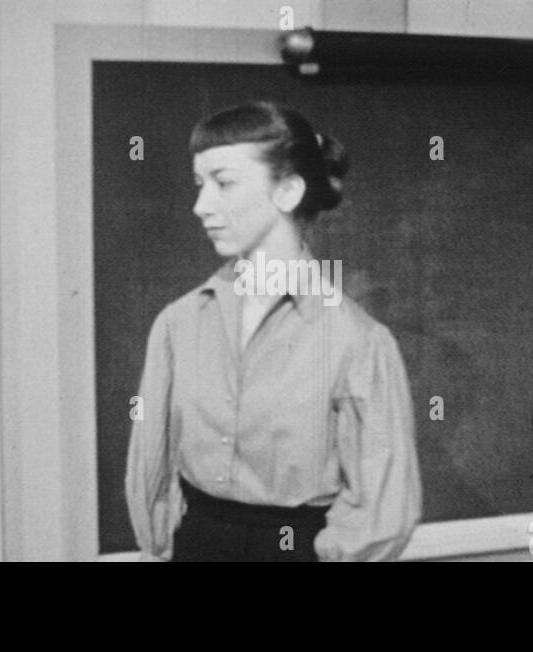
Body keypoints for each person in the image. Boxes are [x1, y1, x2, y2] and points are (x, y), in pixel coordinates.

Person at [125, 101, 421, 562]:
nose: (201, 207)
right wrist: (161, 546)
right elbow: (153, 464)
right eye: (200, 186)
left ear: (287, 192)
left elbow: (382, 506)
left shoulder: (357, 341)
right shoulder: (177, 323)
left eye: (223, 184)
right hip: (196, 545)